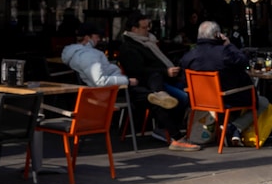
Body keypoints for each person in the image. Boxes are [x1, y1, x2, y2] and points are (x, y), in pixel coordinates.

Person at [63, 22, 199, 152]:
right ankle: (177, 137)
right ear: (88, 38)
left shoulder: (82, 54)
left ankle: (159, 93)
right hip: (112, 91)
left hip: (116, 88)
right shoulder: (88, 56)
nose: (99, 40)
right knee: (154, 101)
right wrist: (127, 81)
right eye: (97, 37)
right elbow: (100, 80)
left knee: (153, 77)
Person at [180, 21, 270, 146]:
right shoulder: (225, 53)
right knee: (262, 101)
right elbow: (244, 62)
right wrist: (229, 45)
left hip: (200, 100)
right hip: (227, 98)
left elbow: (184, 80)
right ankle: (234, 127)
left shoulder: (188, 56)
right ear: (217, 35)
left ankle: (230, 129)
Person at [117, 12, 187, 108]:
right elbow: (138, 70)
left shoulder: (149, 42)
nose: (148, 30)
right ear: (134, 29)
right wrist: (165, 71)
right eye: (144, 28)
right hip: (151, 84)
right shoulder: (129, 47)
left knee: (193, 92)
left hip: (166, 79)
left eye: (148, 27)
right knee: (184, 97)